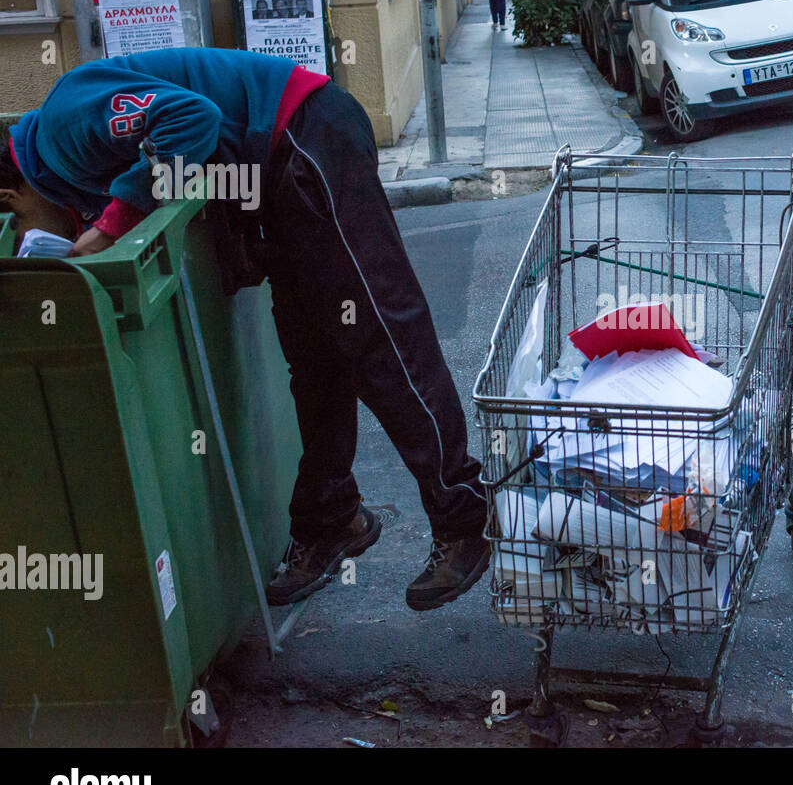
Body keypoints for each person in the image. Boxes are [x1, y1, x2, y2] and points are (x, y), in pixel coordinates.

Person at [0, 48, 491, 612]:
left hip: (306, 134)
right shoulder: (59, 158)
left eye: (18, 231)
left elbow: (191, 119)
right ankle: (332, 518)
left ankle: (464, 514)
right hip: (271, 171)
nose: (28, 243)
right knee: (313, 359)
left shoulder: (62, 126)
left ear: (9, 198)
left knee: (380, 335)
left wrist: (114, 221)